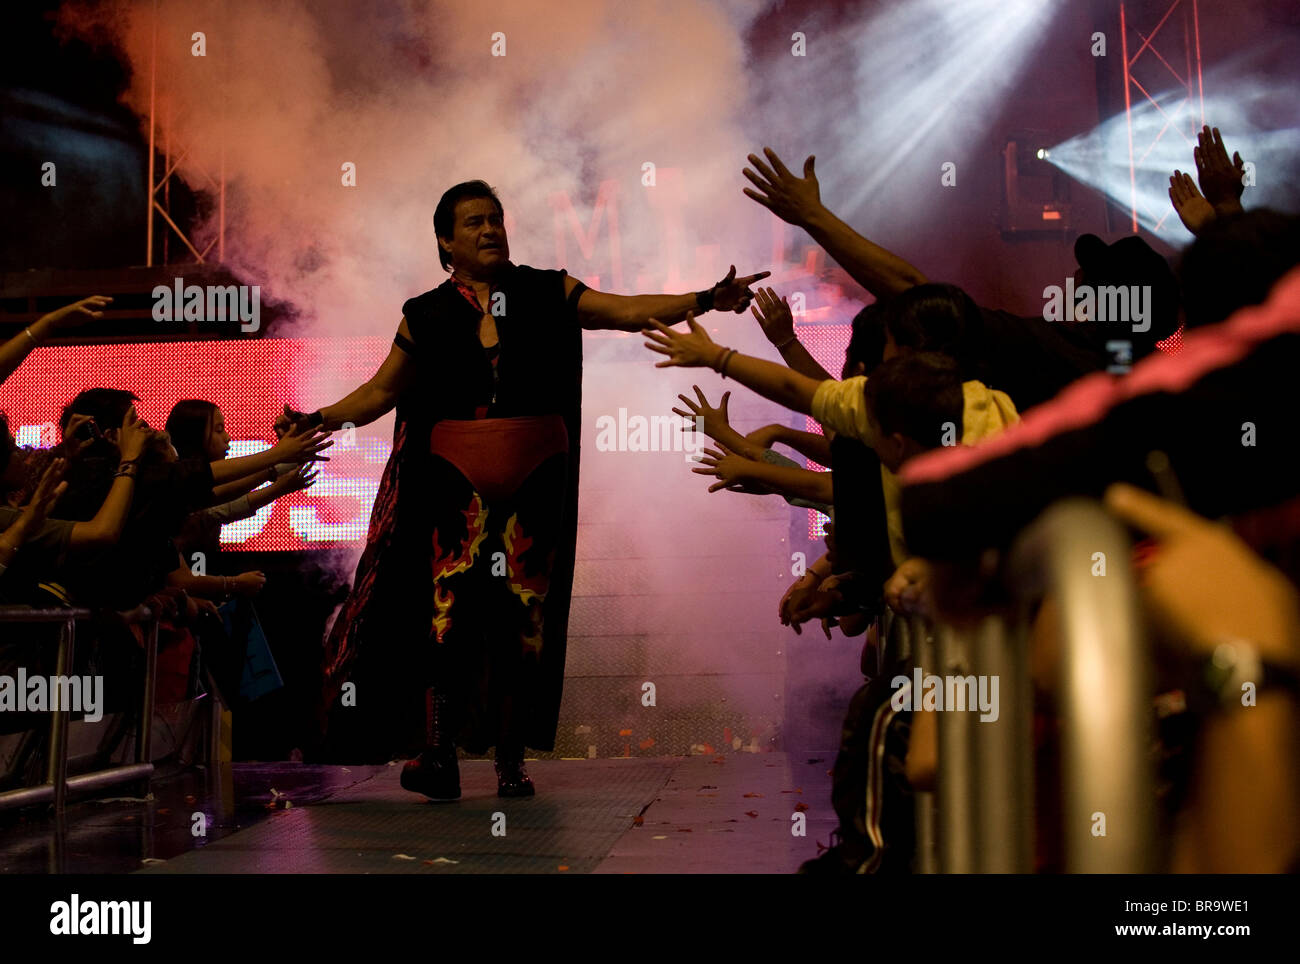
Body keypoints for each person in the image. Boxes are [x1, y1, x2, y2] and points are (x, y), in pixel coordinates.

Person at [291, 179, 768, 799]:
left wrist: (705, 298)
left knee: (524, 617)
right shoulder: (426, 314)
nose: (490, 229)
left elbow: (623, 311)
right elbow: (381, 394)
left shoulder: (547, 289)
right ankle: (438, 756)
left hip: (534, 481)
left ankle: (511, 763)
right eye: (473, 223)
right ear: (445, 241)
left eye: (496, 219)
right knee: (445, 619)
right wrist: (319, 417)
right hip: (452, 484)